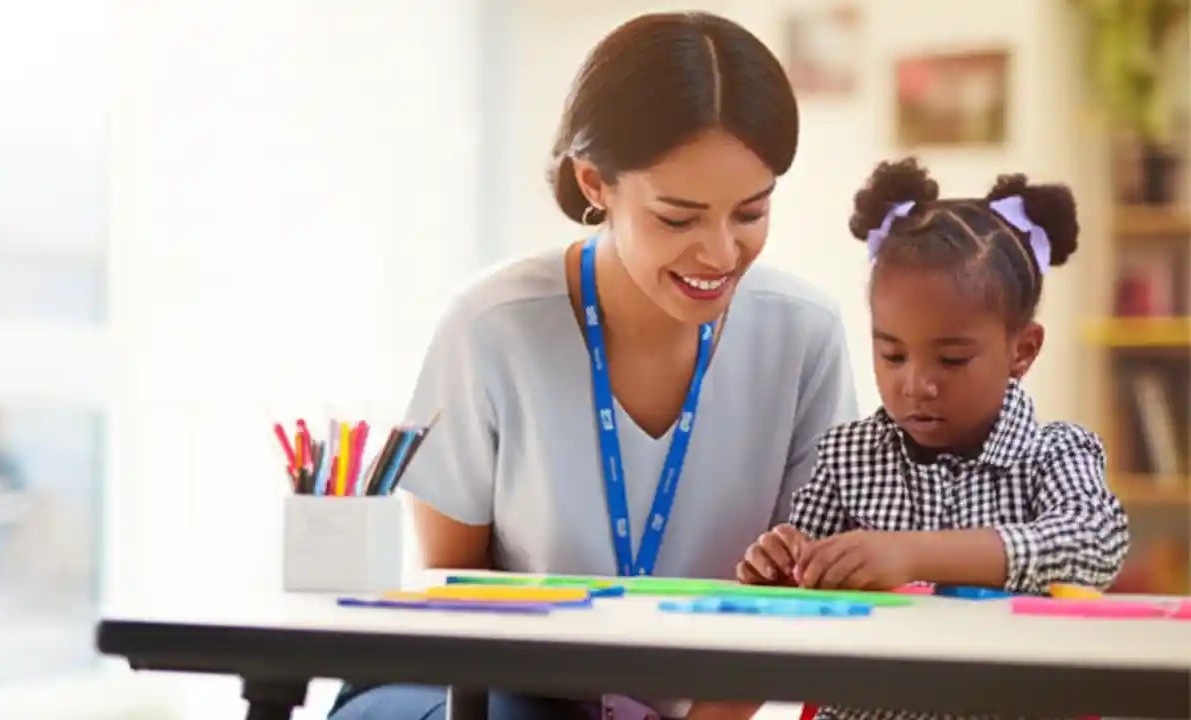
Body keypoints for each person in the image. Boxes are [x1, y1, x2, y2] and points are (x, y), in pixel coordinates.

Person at [329, 10, 858, 720]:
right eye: (679, 217)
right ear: (596, 183)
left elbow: (796, 594)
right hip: (473, 690)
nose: (721, 253)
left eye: (751, 213)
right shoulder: (493, 326)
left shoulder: (805, 338)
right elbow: (454, 593)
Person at [737, 158, 1130, 720]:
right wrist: (781, 563)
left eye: (951, 359)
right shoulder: (848, 456)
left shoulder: (1056, 453)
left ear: (1022, 350)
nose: (916, 385)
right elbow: (805, 591)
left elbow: (1095, 543)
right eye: (891, 354)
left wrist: (914, 553)